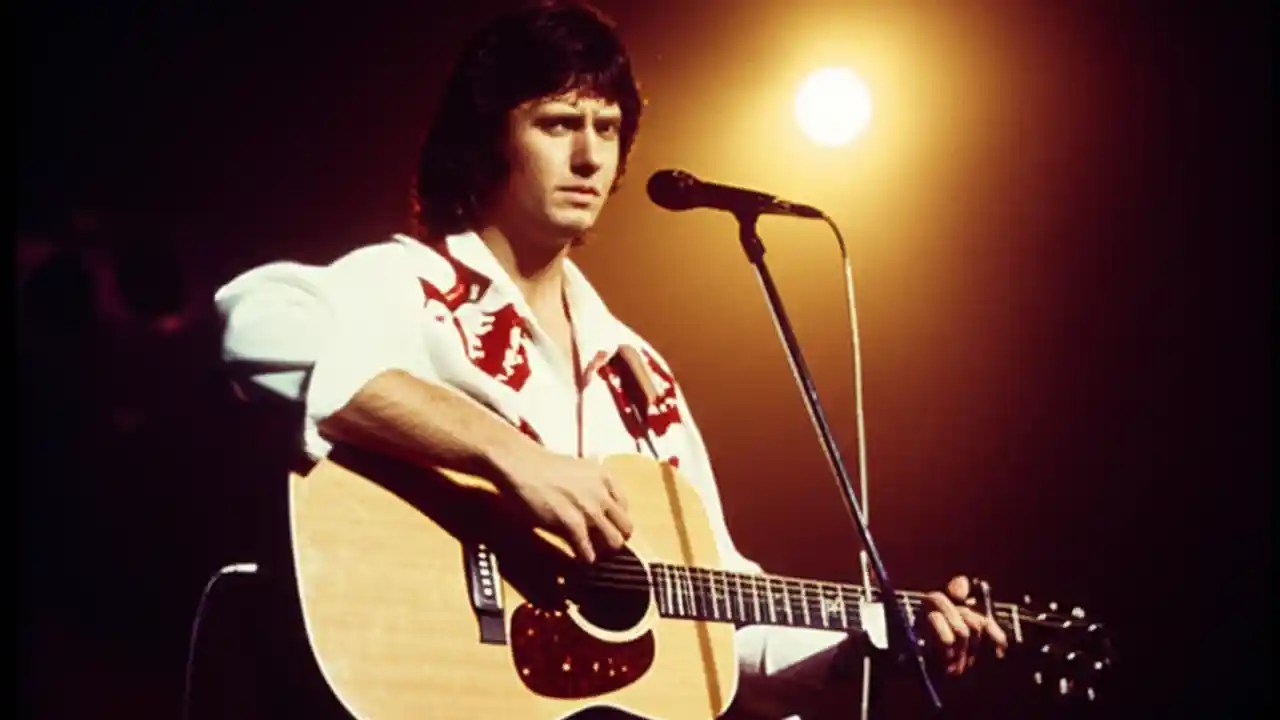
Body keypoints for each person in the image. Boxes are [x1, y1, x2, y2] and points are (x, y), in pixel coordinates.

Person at [213, 1, 1007, 717]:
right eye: (558, 122)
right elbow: (255, 323)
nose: (591, 156)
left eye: (607, 126)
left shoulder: (641, 374)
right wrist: (509, 457)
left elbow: (721, 611)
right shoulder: (415, 284)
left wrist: (886, 638)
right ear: (490, 135)